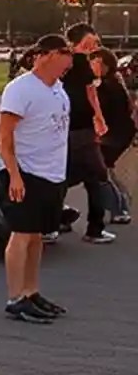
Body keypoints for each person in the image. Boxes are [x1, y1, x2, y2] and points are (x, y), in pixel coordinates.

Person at [0, 34, 73, 324]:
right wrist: (15, 174)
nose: (68, 63)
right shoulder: (20, 89)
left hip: (52, 173)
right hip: (27, 172)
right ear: (47, 55)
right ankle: (16, 298)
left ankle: (31, 291)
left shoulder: (58, 89)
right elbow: (4, 137)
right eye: (64, 54)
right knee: (22, 234)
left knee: (37, 235)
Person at [59, 23, 112, 243]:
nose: (94, 45)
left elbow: (91, 93)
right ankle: (94, 228)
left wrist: (98, 118)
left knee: (64, 175)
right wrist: (98, 118)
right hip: (77, 129)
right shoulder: (77, 63)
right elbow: (91, 95)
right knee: (97, 176)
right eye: (90, 41)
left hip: (71, 128)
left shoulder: (70, 63)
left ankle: (53, 220)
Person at [90, 48, 134, 224]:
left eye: (96, 62)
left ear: (105, 65)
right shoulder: (113, 82)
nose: (92, 65)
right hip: (117, 134)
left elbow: (104, 112)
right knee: (104, 171)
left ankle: (119, 208)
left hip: (113, 135)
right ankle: (121, 205)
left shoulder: (107, 86)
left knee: (100, 173)